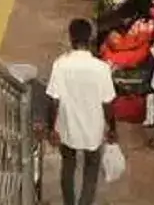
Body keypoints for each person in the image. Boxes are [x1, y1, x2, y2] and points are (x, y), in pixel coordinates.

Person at [46, 18, 117, 205]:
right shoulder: (101, 68)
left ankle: (69, 202)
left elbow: (53, 100)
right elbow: (108, 103)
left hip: (67, 127)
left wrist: (51, 128)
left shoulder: (60, 65)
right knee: (91, 168)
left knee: (68, 167)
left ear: (71, 38)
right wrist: (112, 128)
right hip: (93, 130)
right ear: (91, 38)